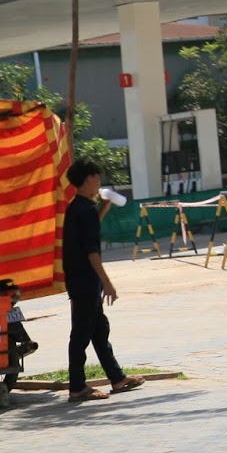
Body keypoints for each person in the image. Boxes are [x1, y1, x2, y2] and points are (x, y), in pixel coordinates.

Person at [63, 159, 143, 404]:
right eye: (97, 177)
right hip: (85, 281)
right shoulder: (84, 209)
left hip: (79, 280)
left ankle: (117, 378)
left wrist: (104, 208)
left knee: (99, 330)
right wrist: (107, 283)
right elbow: (92, 251)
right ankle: (77, 388)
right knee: (81, 335)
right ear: (89, 178)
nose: (99, 182)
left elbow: (88, 232)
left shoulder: (78, 207)